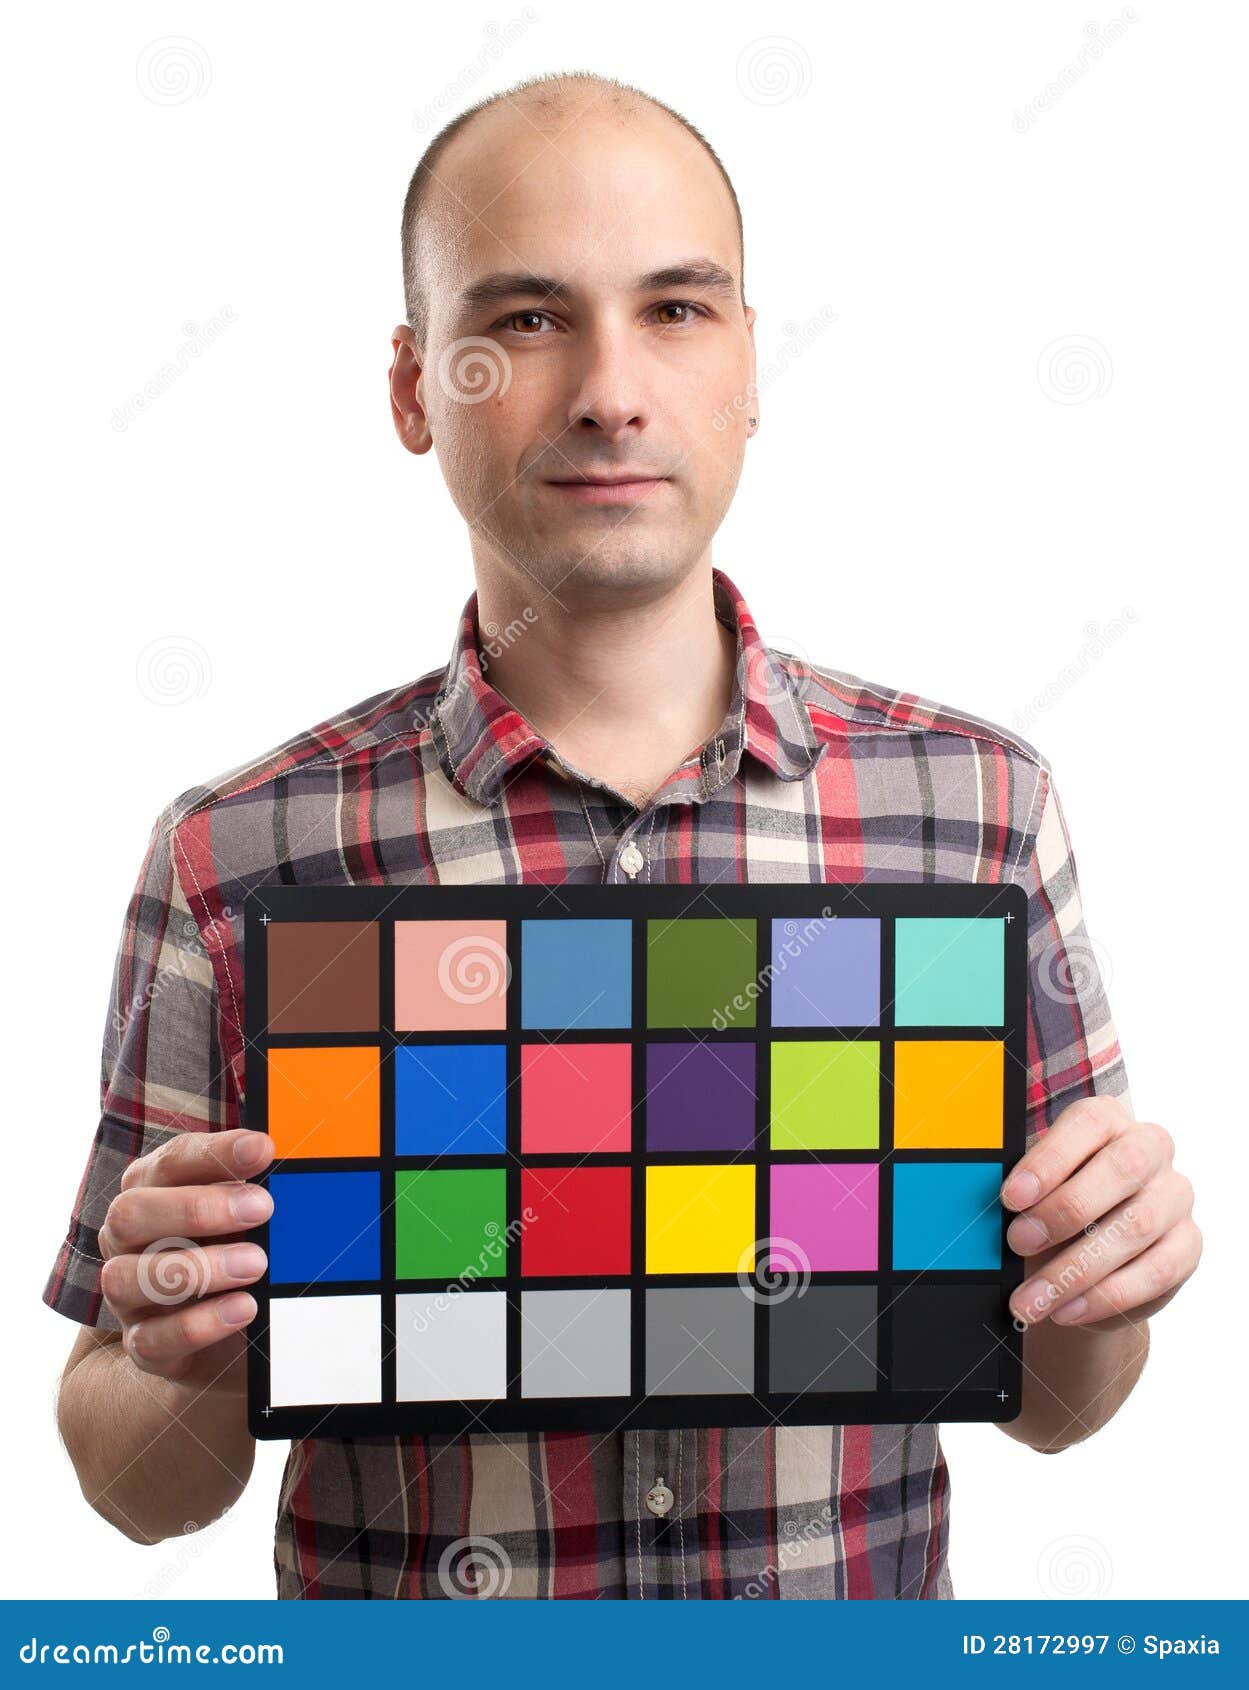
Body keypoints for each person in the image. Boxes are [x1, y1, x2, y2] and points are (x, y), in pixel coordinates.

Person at [46, 71, 1199, 1600]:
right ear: (413, 387)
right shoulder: (235, 853)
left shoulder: (975, 809)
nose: (608, 388)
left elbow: (1057, 1402)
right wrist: (181, 1343)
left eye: (674, 309)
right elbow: (137, 1489)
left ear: (747, 369)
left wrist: (1103, 1283)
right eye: (525, 318)